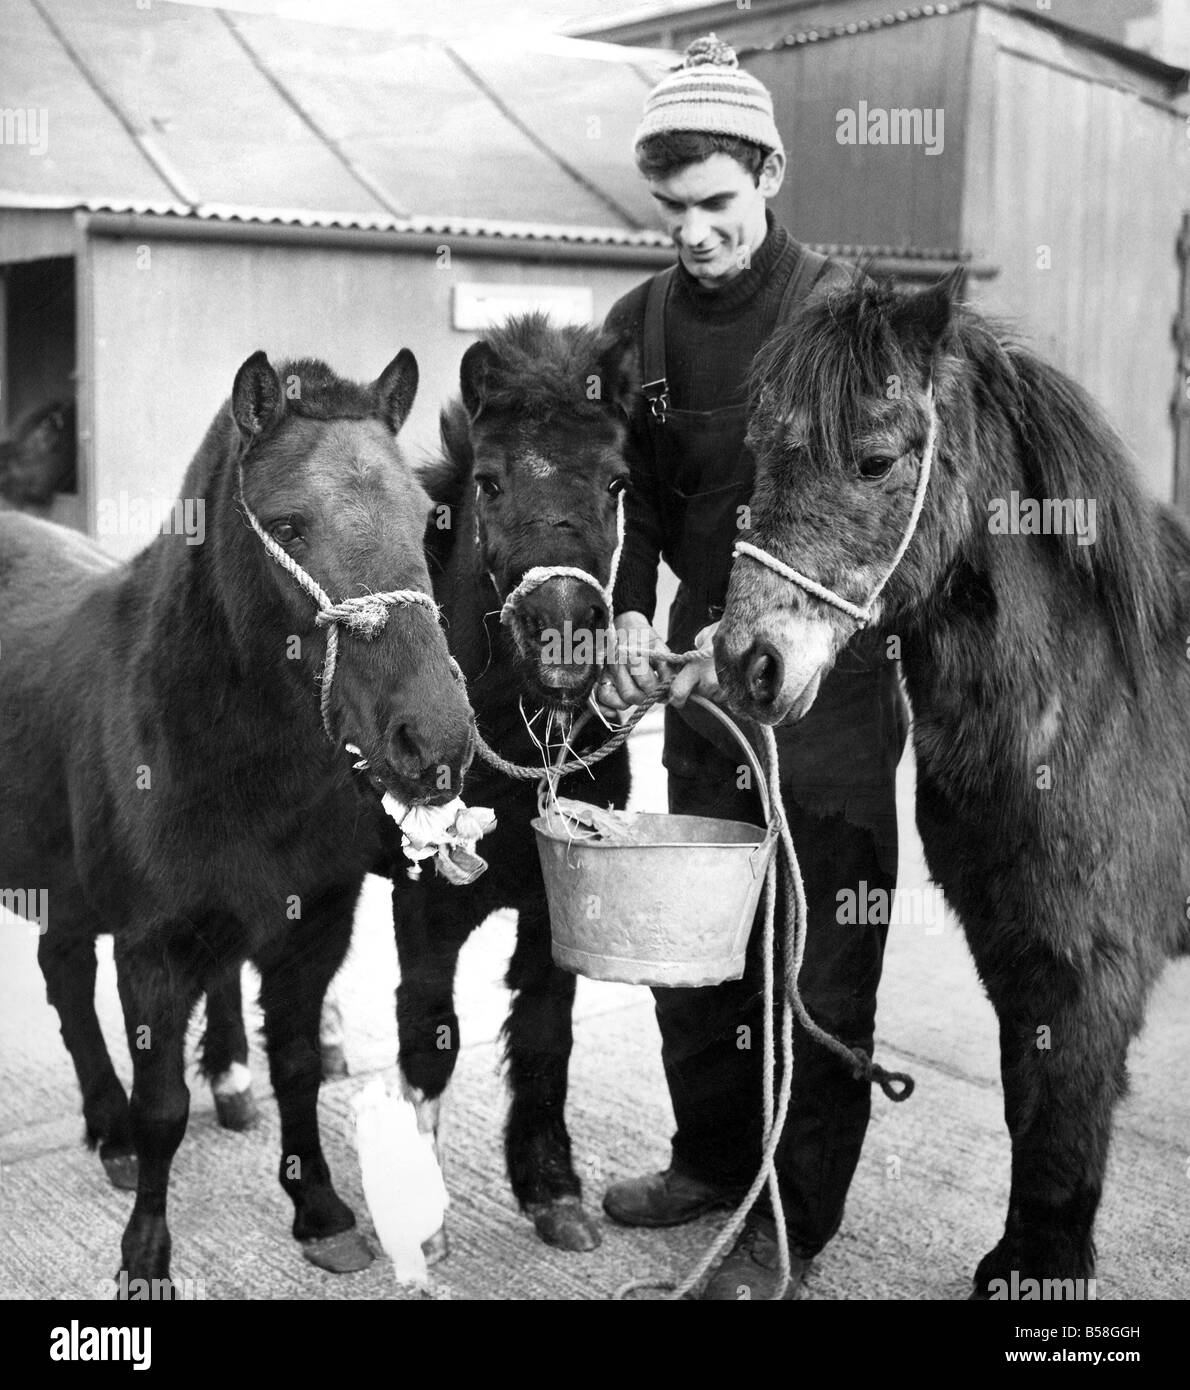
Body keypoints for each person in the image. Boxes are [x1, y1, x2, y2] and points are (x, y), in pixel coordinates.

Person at [595, 33, 909, 1300]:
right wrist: (623, 617)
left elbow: (895, 507)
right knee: (700, 947)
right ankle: (708, 1161)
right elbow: (627, 507)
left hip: (831, 702)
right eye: (671, 210)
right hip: (706, 701)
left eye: (719, 203)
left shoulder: (846, 317)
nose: (695, 232)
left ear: (771, 173)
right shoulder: (637, 326)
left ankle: (791, 1224)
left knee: (818, 961)